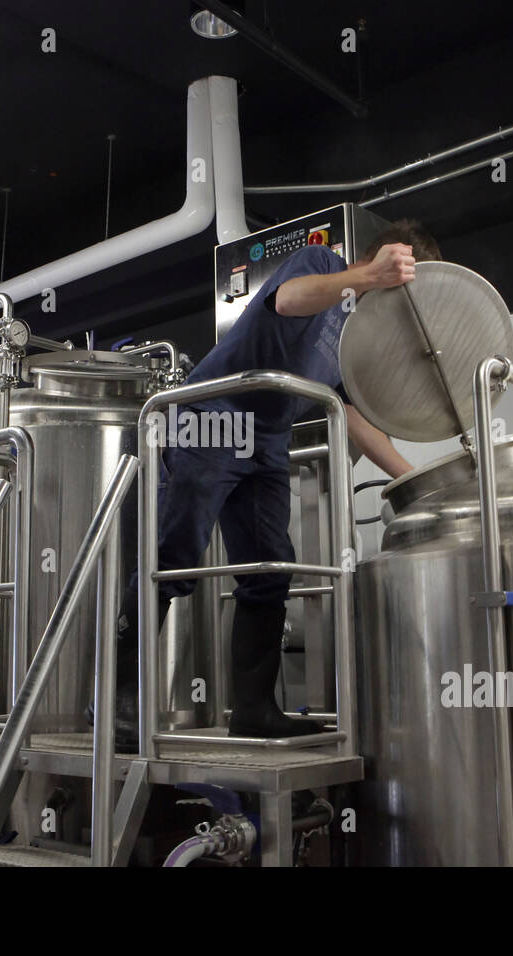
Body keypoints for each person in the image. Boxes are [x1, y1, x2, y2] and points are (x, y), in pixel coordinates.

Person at [102, 220, 442, 748]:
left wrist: (415, 478)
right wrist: (369, 277)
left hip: (266, 440)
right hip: (209, 416)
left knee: (270, 568)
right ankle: (117, 703)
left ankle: (255, 710)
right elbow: (287, 301)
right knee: (173, 558)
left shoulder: (354, 329)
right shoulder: (324, 265)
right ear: (379, 263)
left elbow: (347, 410)